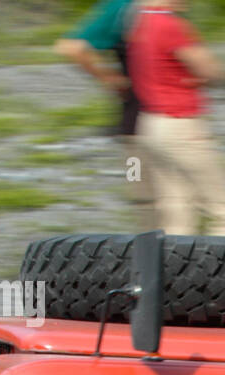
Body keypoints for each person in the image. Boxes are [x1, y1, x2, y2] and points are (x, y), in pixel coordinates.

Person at [128, 0, 225, 236]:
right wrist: (203, 78)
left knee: (177, 213)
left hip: (151, 123)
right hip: (180, 125)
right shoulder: (170, 25)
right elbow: (210, 70)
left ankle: (172, 271)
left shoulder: (140, 22)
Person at [54, 0, 152, 227]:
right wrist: (110, 78)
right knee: (160, 198)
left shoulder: (122, 6)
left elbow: (71, 47)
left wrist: (110, 79)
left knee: (145, 199)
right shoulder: (125, 6)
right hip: (162, 123)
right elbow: (72, 47)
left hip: (134, 123)